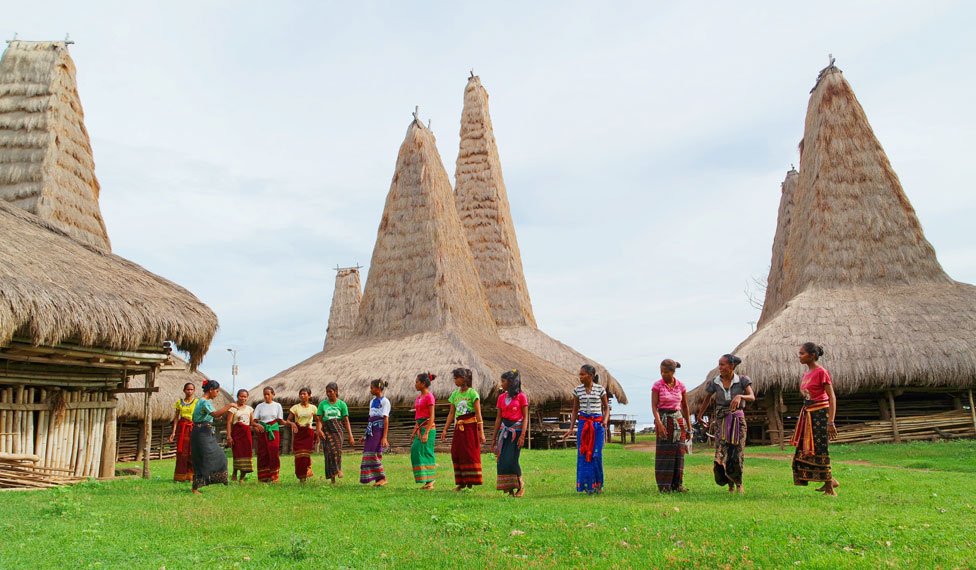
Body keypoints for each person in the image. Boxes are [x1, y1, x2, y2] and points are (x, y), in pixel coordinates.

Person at [696, 353, 755, 494]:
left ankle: (739, 484)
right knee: (722, 452)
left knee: (737, 451)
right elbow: (706, 399)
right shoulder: (714, 382)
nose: (720, 367)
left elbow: (752, 397)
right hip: (721, 420)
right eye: (719, 364)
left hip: (737, 420)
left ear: (731, 366)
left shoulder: (742, 380)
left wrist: (740, 396)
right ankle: (729, 485)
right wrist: (699, 415)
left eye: (722, 364)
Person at [790, 342, 839, 496]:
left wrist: (830, 421)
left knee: (820, 448)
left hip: (820, 414)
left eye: (802, 353)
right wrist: (804, 393)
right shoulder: (806, 374)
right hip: (808, 413)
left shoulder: (821, 372)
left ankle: (830, 488)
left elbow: (831, 397)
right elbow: (803, 389)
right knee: (806, 449)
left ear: (812, 355)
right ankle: (829, 481)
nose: (799, 356)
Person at [563, 364, 609, 494]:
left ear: (591, 376)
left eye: (583, 374)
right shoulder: (577, 390)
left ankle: (598, 485)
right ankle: (587, 486)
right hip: (584, 425)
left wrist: (605, 421)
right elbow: (575, 410)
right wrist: (571, 428)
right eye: (580, 374)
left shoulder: (600, 389)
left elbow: (606, 408)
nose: (580, 377)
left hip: (597, 425)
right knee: (583, 454)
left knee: (596, 453)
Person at [441, 367, 485, 491]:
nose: (455, 380)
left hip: (470, 427)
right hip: (458, 428)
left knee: (469, 453)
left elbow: (478, 414)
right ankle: (461, 482)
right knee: (456, 453)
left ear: (464, 378)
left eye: (456, 378)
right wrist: (445, 429)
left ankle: (470, 480)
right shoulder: (454, 394)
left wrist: (481, 432)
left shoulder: (473, 393)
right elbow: (451, 413)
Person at [652, 359, 691, 493]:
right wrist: (659, 423)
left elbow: (685, 407)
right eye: (661, 371)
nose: (663, 374)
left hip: (678, 421)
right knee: (664, 454)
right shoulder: (657, 386)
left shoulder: (681, 386)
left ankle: (677, 485)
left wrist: (689, 427)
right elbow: (654, 406)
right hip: (663, 420)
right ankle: (664, 486)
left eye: (666, 372)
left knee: (678, 453)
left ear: (673, 372)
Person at [190, 379, 235, 494]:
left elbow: (211, 415)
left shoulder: (204, 401)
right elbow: (215, 413)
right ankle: (195, 487)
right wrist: (229, 405)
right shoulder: (205, 402)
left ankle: (215, 479)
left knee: (219, 457)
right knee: (202, 459)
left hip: (205, 432)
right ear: (210, 390)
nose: (217, 393)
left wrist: (216, 417)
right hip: (201, 433)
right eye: (217, 391)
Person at [493, 369, 528, 497]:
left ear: (511, 382)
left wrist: (523, 436)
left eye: (503, 381)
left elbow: (525, 418)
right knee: (502, 461)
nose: (501, 383)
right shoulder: (501, 397)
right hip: (504, 432)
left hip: (516, 432)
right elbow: (498, 418)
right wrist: (494, 437)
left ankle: (520, 484)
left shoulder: (521, 397)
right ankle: (510, 489)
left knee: (512, 460)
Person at [316, 382, 355, 484]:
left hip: (337, 430)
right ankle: (332, 478)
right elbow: (319, 420)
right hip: (326, 430)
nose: (328, 394)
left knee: (337, 450)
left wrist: (350, 436)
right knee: (328, 453)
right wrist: (319, 430)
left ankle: (338, 469)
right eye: (327, 392)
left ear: (336, 391)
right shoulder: (322, 404)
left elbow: (346, 421)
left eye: (330, 391)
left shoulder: (342, 404)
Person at [360, 379, 390, 487]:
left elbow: (385, 419)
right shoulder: (372, 401)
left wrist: (384, 437)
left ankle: (382, 477)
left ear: (378, 388)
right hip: (371, 431)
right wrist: (365, 434)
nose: (370, 390)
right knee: (370, 453)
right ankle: (378, 479)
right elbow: (370, 419)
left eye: (372, 388)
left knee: (372, 453)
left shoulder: (385, 401)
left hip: (379, 430)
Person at [410, 372, 437, 490]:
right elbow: (418, 415)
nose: (415, 384)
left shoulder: (429, 397)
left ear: (423, 383)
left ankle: (430, 481)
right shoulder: (418, 398)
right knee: (415, 450)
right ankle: (426, 479)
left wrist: (426, 432)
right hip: (419, 427)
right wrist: (415, 430)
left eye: (417, 382)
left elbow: (431, 416)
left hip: (428, 428)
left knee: (427, 451)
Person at [253, 387, 284, 483]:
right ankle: (263, 477)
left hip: (273, 430)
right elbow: (254, 421)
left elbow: (280, 420)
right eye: (264, 394)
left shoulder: (277, 406)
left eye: (268, 394)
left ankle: (274, 476)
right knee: (263, 453)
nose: (266, 396)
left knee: (274, 452)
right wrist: (257, 426)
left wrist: (290, 423)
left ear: (273, 394)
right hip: (262, 431)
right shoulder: (259, 406)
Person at [168, 382, 197, 482]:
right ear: (184, 390)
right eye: (187, 389)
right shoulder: (179, 403)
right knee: (181, 452)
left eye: (191, 389)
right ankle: (180, 476)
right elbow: (176, 418)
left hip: (192, 428)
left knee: (191, 452)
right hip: (182, 429)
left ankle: (191, 476)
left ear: (194, 391)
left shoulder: (197, 402)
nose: (189, 391)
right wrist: (173, 432)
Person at [287, 387, 316, 482]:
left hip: (308, 433)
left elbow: (319, 420)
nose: (302, 396)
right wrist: (292, 424)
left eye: (304, 394)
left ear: (309, 395)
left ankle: (306, 474)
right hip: (299, 433)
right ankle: (301, 477)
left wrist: (318, 431)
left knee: (306, 455)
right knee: (299, 456)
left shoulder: (313, 408)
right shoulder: (295, 407)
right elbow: (288, 420)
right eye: (301, 394)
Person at [226, 389, 254, 482]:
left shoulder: (249, 409)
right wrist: (229, 436)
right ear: (237, 397)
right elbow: (229, 423)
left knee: (247, 454)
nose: (243, 398)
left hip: (246, 435)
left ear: (247, 397)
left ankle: (242, 477)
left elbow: (252, 422)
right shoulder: (233, 408)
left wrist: (257, 425)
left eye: (245, 396)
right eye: (241, 396)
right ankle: (234, 472)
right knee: (237, 454)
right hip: (236, 434)